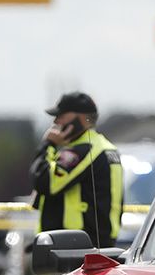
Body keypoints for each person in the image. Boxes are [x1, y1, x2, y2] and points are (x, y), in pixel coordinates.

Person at [29, 91, 124, 248]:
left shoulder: (84, 149)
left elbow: (43, 180)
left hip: (78, 246)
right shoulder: (103, 146)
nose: (56, 122)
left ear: (82, 118)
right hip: (96, 243)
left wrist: (48, 144)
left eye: (61, 116)